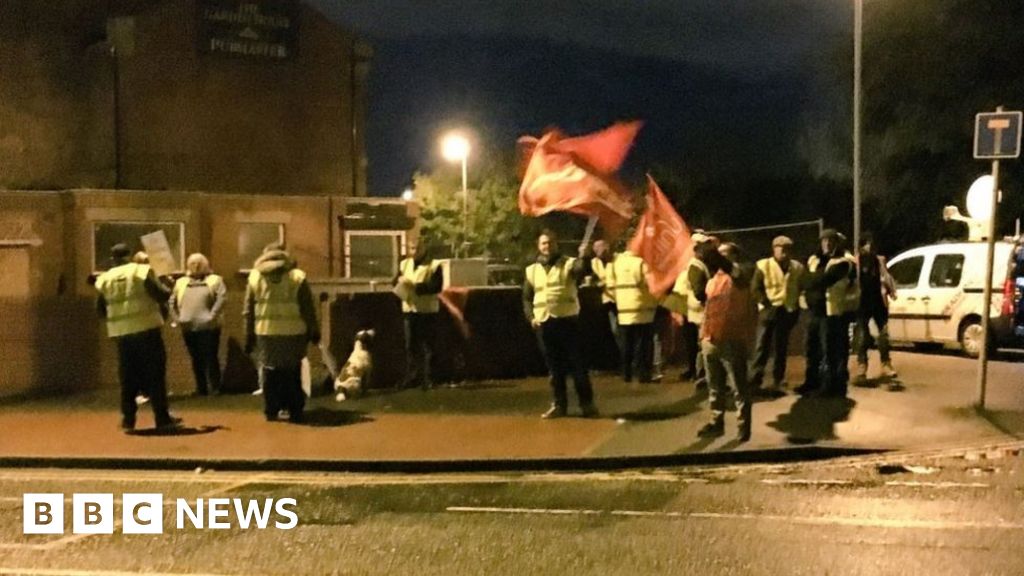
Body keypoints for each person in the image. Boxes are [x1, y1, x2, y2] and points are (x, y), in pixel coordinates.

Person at [94, 243, 180, 432]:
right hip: (147, 330)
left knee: (128, 377)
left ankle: (128, 419)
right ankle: (162, 418)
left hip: (122, 334)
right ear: (129, 255)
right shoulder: (140, 271)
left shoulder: (104, 279)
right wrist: (169, 285)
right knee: (155, 375)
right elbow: (161, 295)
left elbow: (100, 309)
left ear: (112, 258)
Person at [523, 229, 598, 419]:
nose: (547, 246)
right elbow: (526, 297)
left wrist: (586, 255)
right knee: (554, 369)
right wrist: (531, 317)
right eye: (543, 243)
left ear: (556, 244)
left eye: (550, 243)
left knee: (577, 366)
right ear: (539, 246)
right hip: (544, 323)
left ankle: (587, 404)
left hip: (567, 321)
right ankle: (559, 404)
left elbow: (581, 270)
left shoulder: (568, 264)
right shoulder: (532, 270)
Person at [244, 243, 319, 423]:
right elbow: (307, 307)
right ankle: (295, 410)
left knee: (270, 371)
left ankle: (271, 409)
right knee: (292, 371)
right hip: (294, 333)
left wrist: (248, 335)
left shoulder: (254, 277)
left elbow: (248, 310)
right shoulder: (297, 277)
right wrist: (313, 329)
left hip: (266, 333)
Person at [697, 243, 758, 442]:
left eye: (724, 254)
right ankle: (716, 422)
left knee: (738, 387)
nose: (719, 258)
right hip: (710, 338)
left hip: (731, 339)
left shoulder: (740, 276)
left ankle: (743, 427)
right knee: (714, 386)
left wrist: (716, 256)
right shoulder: (713, 280)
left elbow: (737, 273)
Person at [796, 229, 855, 398]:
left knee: (830, 351)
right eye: (824, 240)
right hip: (814, 312)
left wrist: (811, 280)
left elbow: (822, 279)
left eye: (830, 240)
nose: (827, 244)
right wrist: (811, 280)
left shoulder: (845, 261)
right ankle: (811, 382)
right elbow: (803, 280)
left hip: (832, 313)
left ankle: (831, 386)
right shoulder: (814, 259)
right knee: (811, 349)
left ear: (837, 243)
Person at [749, 235, 805, 395]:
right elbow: (755, 288)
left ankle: (778, 380)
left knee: (781, 348)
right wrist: (765, 304)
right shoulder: (763, 265)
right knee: (762, 346)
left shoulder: (797, 267)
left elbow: (801, 287)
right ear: (774, 249)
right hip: (769, 311)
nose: (783, 252)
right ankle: (755, 380)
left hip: (787, 311)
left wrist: (796, 308)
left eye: (786, 248)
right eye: (780, 248)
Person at [170, 253, 227, 396]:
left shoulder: (215, 280)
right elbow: (171, 302)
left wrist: (212, 316)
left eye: (198, 263)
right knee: (195, 358)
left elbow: (222, 298)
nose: (196, 266)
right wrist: (177, 318)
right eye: (193, 263)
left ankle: (215, 387)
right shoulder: (181, 282)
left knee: (210, 356)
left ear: (205, 264)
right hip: (188, 327)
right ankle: (201, 388)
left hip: (209, 326)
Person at [394, 237, 444, 389]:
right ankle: (413, 376)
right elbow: (394, 281)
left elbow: (436, 286)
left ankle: (430, 378)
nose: (414, 252)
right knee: (411, 345)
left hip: (427, 311)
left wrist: (416, 287)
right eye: (411, 248)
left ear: (424, 249)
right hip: (410, 311)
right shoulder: (404, 264)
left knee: (429, 346)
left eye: (417, 248)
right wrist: (400, 282)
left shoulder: (434, 265)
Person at [607, 249, 658, 382]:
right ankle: (643, 374)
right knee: (642, 345)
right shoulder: (641, 262)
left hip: (623, 310)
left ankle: (626, 374)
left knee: (626, 344)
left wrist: (620, 300)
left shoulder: (615, 262)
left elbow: (610, 286)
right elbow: (651, 284)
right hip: (643, 310)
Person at [854, 234, 898, 384]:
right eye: (867, 244)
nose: (870, 247)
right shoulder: (856, 261)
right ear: (862, 245)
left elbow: (886, 277)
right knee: (863, 337)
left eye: (872, 244)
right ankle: (862, 366)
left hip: (878, 303)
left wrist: (891, 291)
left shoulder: (879, 260)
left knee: (883, 336)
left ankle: (886, 364)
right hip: (862, 303)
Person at [590, 239, 622, 358]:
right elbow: (594, 277)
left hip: (622, 299)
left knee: (622, 330)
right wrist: (596, 283)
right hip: (608, 301)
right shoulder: (595, 262)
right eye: (596, 248)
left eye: (601, 247)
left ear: (607, 247)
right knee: (615, 331)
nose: (599, 250)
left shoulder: (618, 260)